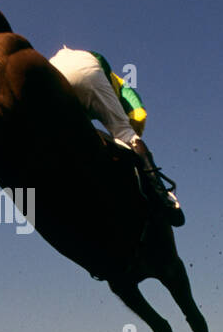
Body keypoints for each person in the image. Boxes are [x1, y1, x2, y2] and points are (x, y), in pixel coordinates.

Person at [47, 47, 183, 226]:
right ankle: (162, 196)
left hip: (51, 72)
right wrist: (134, 150)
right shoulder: (121, 85)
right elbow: (139, 115)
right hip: (85, 69)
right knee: (127, 134)